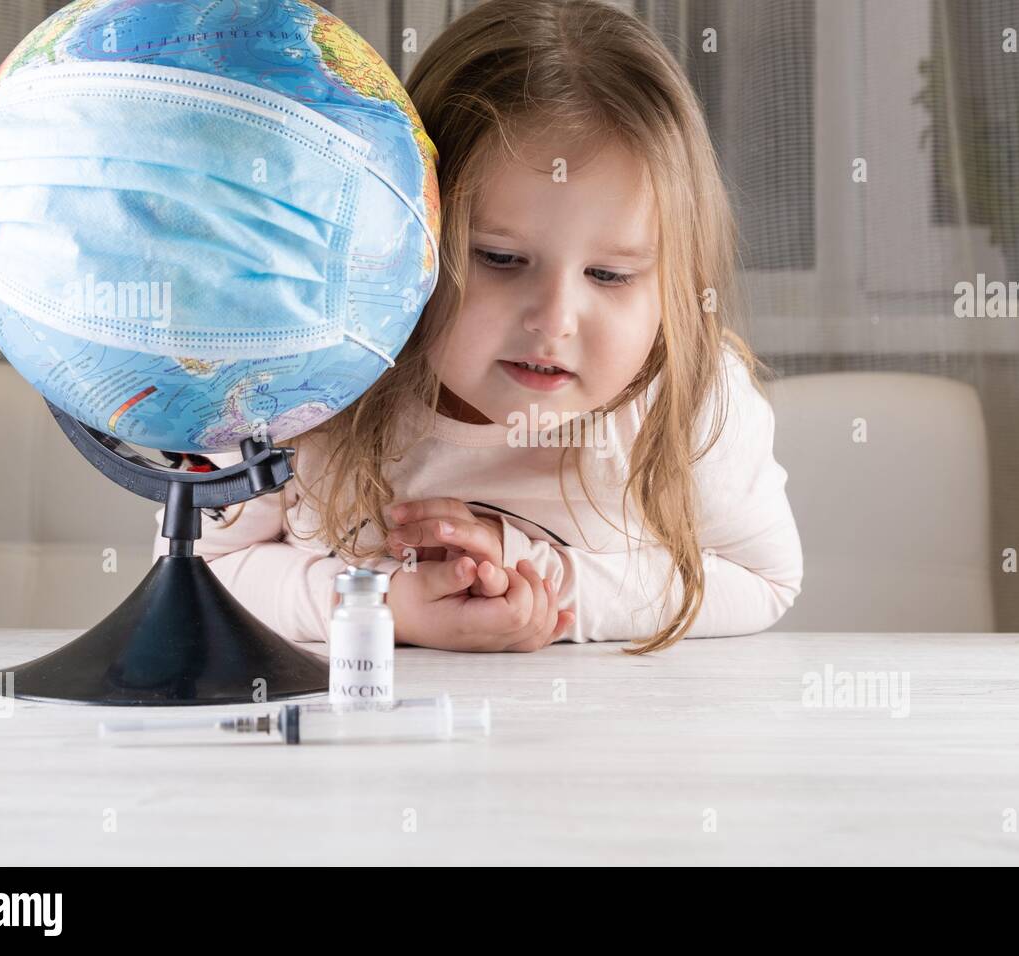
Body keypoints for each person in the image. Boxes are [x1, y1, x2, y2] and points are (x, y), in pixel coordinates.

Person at [152, 0, 802, 654]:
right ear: (410, 236)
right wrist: (381, 606)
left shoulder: (692, 395)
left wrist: (541, 582)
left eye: (609, 275)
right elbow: (194, 562)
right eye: (500, 258)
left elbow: (763, 579)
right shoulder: (299, 372)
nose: (553, 320)